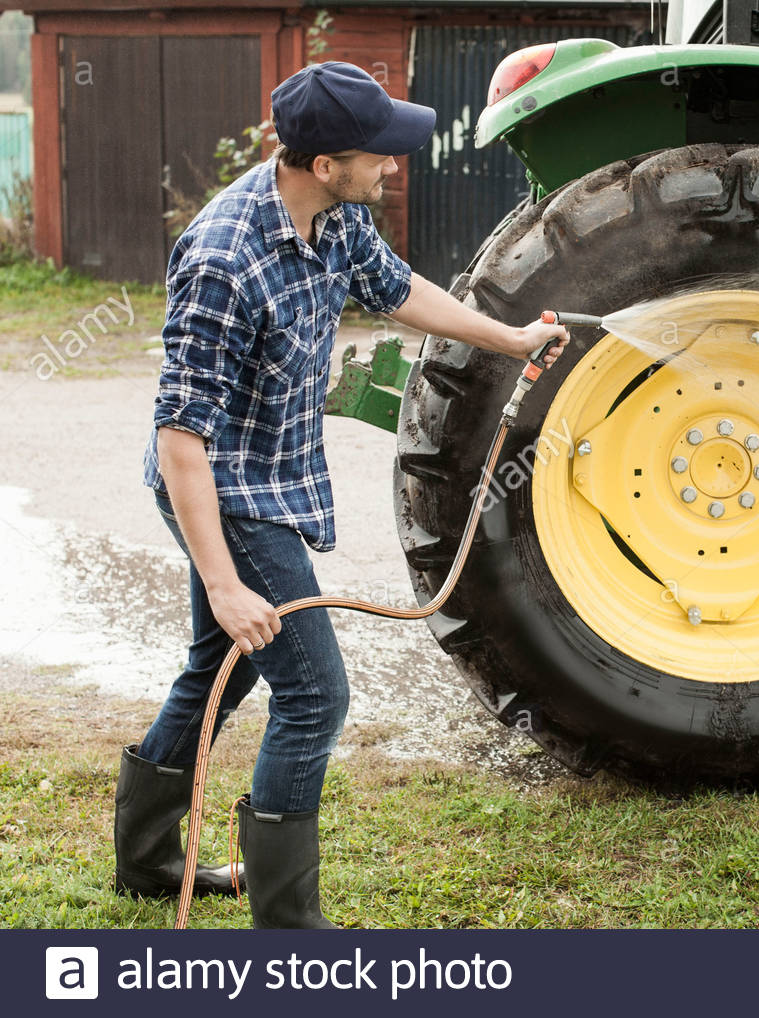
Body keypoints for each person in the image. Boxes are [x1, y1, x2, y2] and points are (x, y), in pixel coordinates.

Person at [112, 61, 568, 928]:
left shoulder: (334, 220)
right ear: (324, 163)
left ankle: (145, 862)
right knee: (316, 693)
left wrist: (507, 337)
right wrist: (224, 581)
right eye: (379, 155)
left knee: (218, 669)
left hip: (271, 484)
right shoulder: (223, 261)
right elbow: (180, 442)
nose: (393, 167)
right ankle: (287, 926)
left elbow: (401, 290)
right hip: (228, 495)